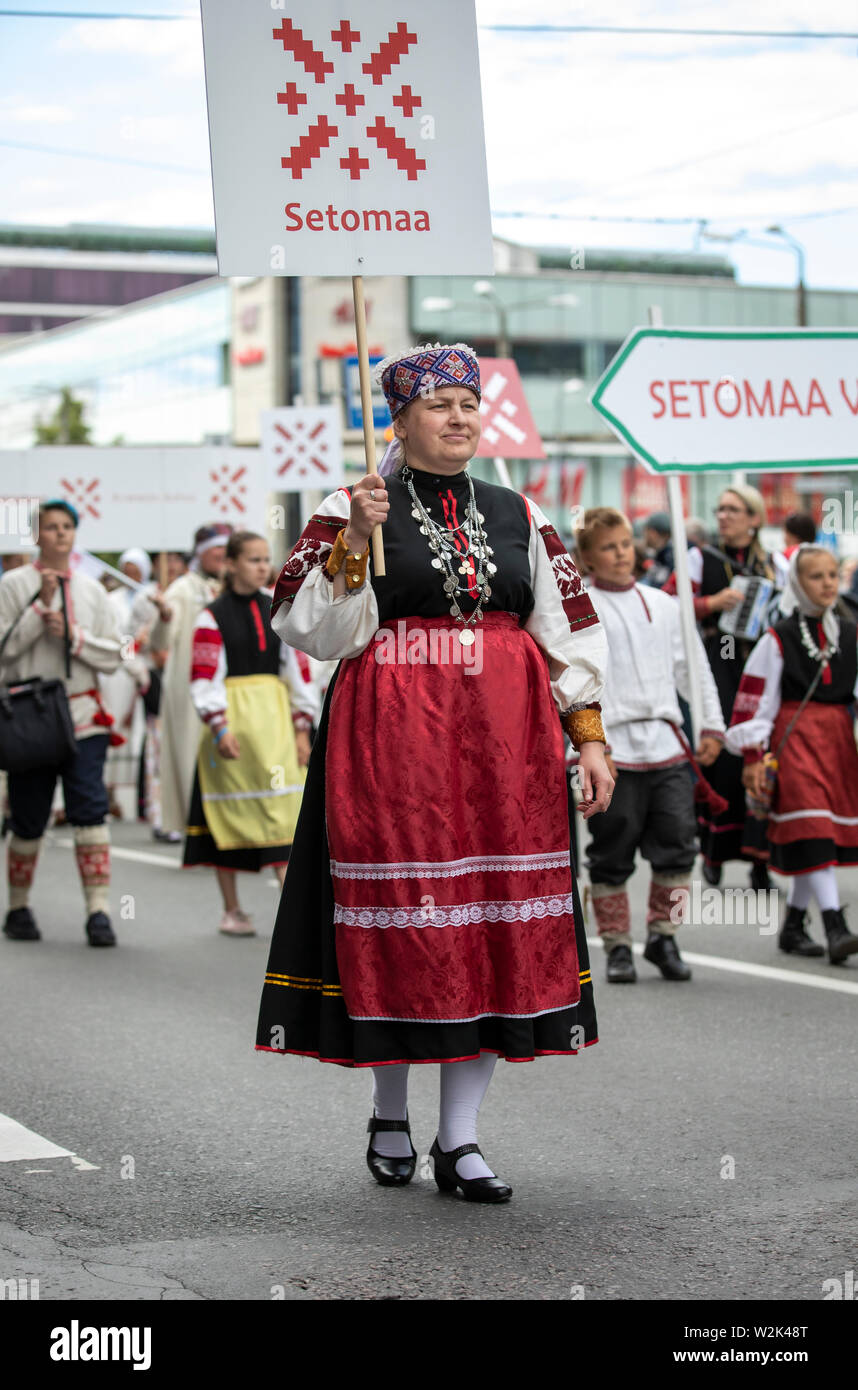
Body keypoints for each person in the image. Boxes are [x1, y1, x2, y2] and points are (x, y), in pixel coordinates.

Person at [255, 344, 613, 1203]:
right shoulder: (351, 506)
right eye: (439, 404)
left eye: (467, 403)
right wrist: (357, 538)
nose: (458, 417)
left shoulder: (519, 510)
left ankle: (461, 1140)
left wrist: (590, 737)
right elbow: (311, 628)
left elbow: (569, 629)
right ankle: (389, 1110)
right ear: (401, 419)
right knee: (408, 925)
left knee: (488, 929)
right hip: (392, 744)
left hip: (506, 749)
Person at [577, 508, 725, 983]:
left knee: (680, 843)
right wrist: (587, 745)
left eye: (625, 543)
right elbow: (574, 682)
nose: (621, 553)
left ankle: (664, 936)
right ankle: (618, 946)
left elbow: (695, 670)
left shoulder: (664, 606)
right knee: (611, 849)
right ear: (588, 559)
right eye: (608, 547)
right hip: (614, 748)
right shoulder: (580, 610)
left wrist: (711, 727)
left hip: (666, 744)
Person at [725, 546, 858, 965]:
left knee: (814, 831)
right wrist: (751, 756)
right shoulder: (777, 636)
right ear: (798, 583)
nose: (827, 584)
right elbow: (753, 699)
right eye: (816, 577)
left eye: (832, 575)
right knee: (813, 828)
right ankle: (835, 926)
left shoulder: (851, 632)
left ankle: (794, 925)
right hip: (794, 739)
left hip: (836, 740)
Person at [0, 500, 124, 946]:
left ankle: (99, 911)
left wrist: (75, 638)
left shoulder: (92, 591)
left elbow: (115, 656)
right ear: (36, 535)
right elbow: (3, 650)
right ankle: (17, 907)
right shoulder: (13, 585)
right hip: (30, 716)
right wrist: (39, 616)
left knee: (89, 809)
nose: (59, 534)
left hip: (82, 716)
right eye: (50, 527)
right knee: (29, 816)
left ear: (74, 534)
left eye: (67, 527)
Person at [183, 531, 312, 934]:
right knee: (230, 813)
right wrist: (219, 726)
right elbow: (204, 675)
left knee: (281, 812)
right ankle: (232, 909)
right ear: (232, 564)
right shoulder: (211, 615)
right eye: (252, 559)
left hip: (273, 720)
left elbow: (299, 671)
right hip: (235, 718)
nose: (261, 566)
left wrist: (302, 728)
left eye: (264, 559)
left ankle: (290, 907)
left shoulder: (279, 609)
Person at [666, 485, 782, 888]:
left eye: (733, 510)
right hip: (722, 657)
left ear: (754, 518)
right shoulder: (699, 557)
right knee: (725, 756)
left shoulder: (772, 564)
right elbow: (668, 604)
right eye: (720, 509)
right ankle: (714, 852)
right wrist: (711, 605)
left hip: (762, 661)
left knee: (760, 753)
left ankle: (760, 861)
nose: (723, 516)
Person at [148, 524, 232, 841]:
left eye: (226, 550)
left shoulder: (233, 587)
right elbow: (159, 641)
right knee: (188, 751)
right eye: (216, 550)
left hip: (228, 684)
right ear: (201, 554)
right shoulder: (182, 589)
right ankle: (193, 822)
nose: (222, 556)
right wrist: (165, 616)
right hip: (188, 685)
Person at [100, 548, 155, 818]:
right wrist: (130, 652)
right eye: (127, 568)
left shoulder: (154, 596)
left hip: (151, 670)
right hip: (122, 673)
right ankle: (109, 792)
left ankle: (145, 798)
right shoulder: (112, 600)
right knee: (118, 725)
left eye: (136, 569)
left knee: (145, 734)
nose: (132, 574)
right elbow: (115, 635)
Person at [641, 511, 674, 588]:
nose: (644, 536)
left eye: (646, 531)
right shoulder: (661, 554)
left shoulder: (670, 558)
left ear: (653, 533)